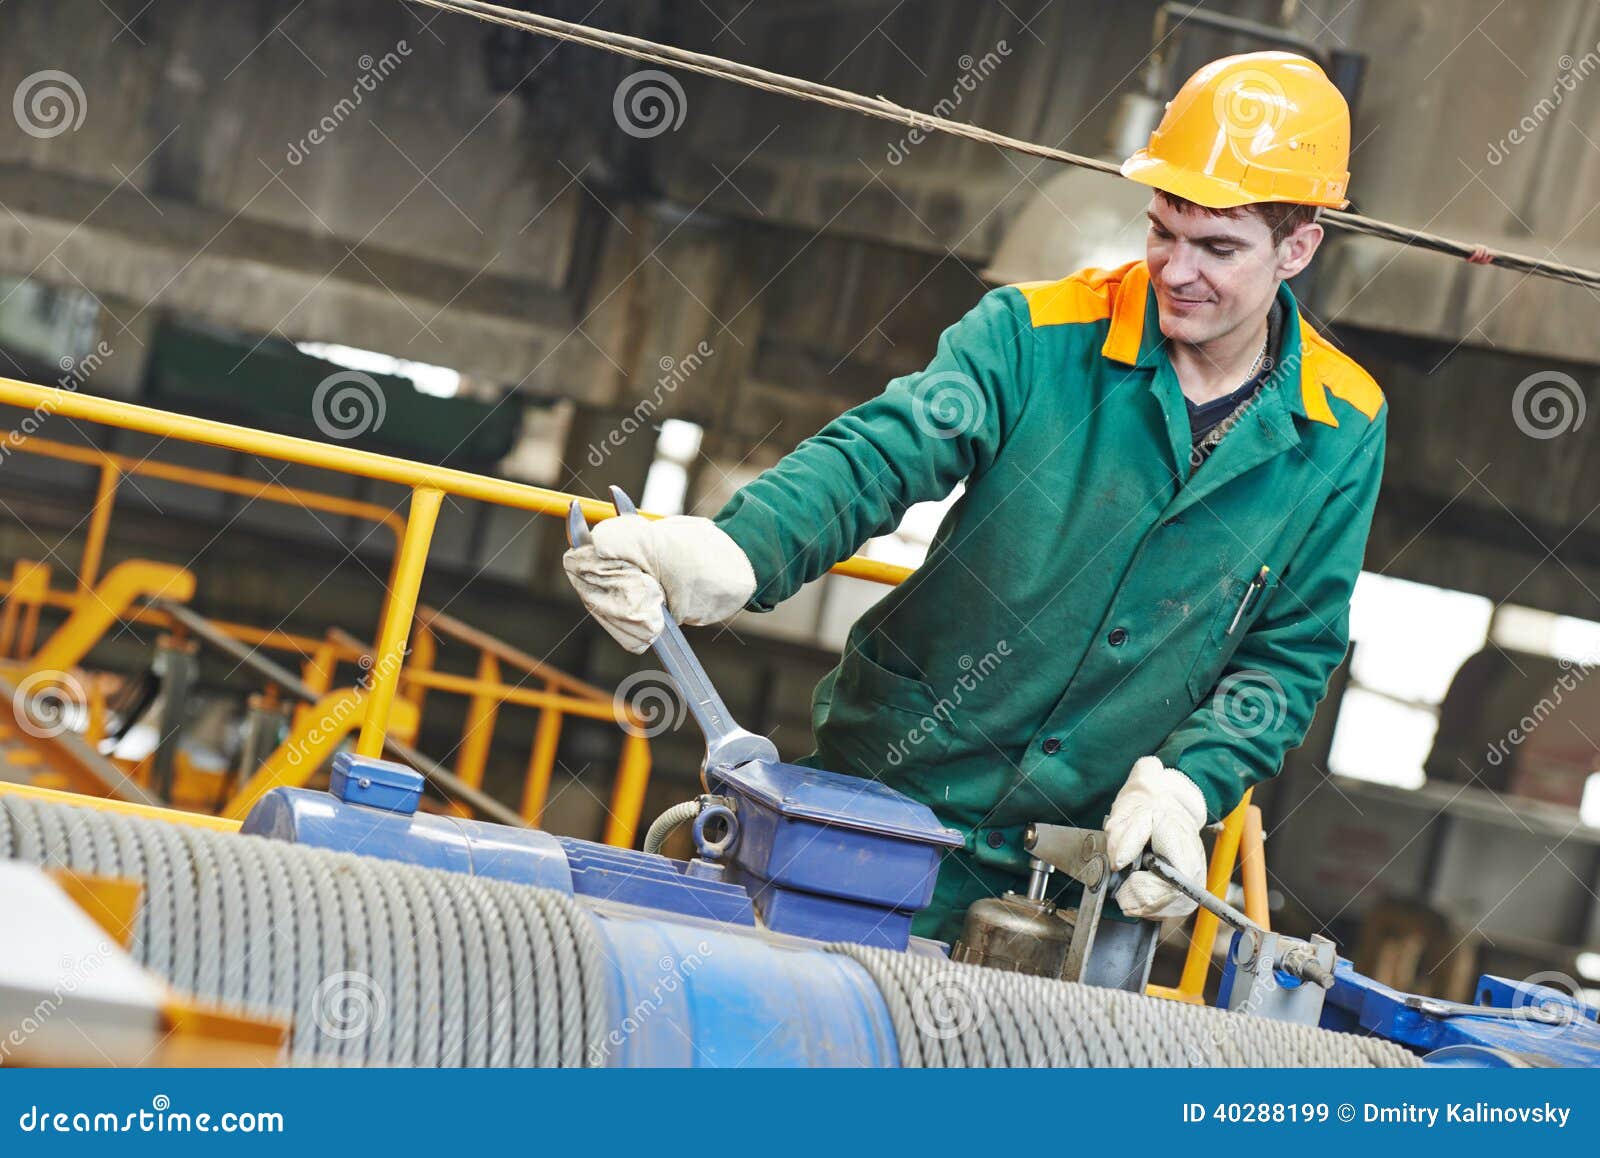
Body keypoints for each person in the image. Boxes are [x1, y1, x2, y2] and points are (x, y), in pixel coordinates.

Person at [564, 52, 1385, 944]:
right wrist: (741, 547)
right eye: (1163, 230)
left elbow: (1290, 651)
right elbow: (887, 451)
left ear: (1297, 249)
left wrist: (1189, 785)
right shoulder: (1035, 335)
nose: (1176, 271)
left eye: (1218, 249)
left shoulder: (1343, 425)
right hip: (888, 801)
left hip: (1082, 870)